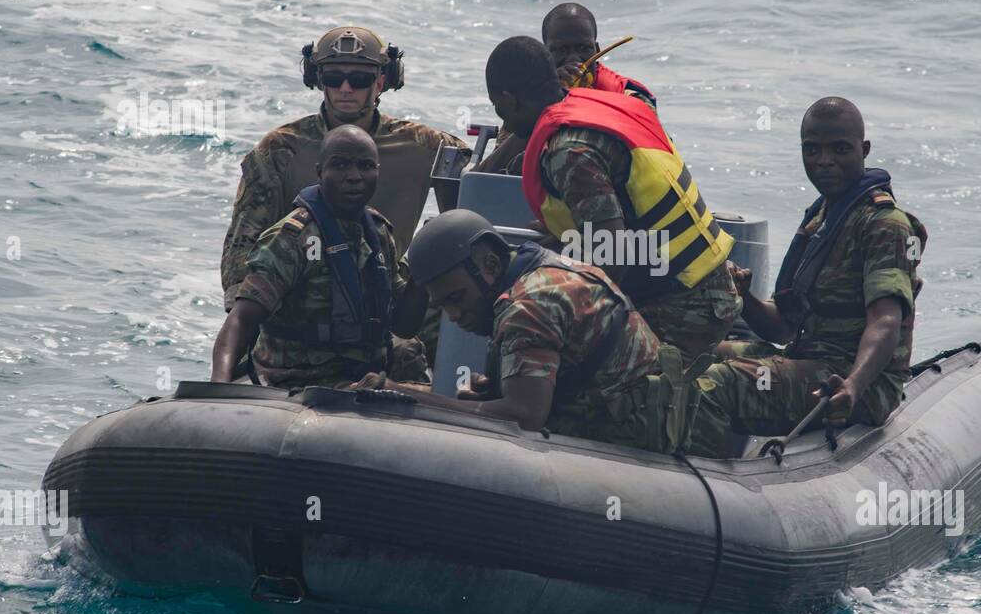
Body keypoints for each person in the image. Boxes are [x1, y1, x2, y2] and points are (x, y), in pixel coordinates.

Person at [351, 210, 730, 457]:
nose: (455, 316)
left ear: (489, 264)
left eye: (457, 299)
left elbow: (525, 416)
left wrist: (401, 397)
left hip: (645, 433)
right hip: (655, 405)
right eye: (443, 306)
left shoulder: (525, 307)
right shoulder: (550, 267)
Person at [484, 36, 740, 358]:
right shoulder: (592, 107)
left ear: (509, 100)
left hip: (687, 305)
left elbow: (612, 259)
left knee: (561, 363)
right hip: (699, 283)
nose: (503, 119)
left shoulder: (568, 151)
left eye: (498, 107)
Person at [701, 97, 926, 438]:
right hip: (806, 359)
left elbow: (885, 320)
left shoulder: (884, 225)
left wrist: (853, 385)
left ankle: (701, 466)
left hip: (851, 381)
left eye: (839, 150)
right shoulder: (822, 218)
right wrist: (745, 298)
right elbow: (782, 330)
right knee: (693, 352)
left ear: (864, 150)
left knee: (723, 382)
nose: (824, 162)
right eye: (812, 150)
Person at [219, 26, 469, 312]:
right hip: (300, 305)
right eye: (334, 78)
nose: (346, 88)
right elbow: (243, 241)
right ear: (318, 80)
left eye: (360, 78)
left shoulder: (422, 146)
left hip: (387, 301)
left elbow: (475, 185)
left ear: (381, 82)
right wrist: (243, 312)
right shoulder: (280, 150)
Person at [211, 126, 424, 389]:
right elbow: (242, 319)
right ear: (320, 172)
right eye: (341, 165)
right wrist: (218, 386)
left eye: (365, 166)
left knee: (412, 355)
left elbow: (403, 326)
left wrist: (420, 275)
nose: (354, 176)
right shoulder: (292, 238)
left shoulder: (378, 234)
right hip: (298, 380)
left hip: (363, 377)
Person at [477, 3, 654, 175]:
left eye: (583, 48)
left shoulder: (627, 97)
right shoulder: (530, 97)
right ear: (546, 54)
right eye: (561, 50)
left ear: (597, 50)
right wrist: (549, 104)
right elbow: (493, 171)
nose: (574, 59)